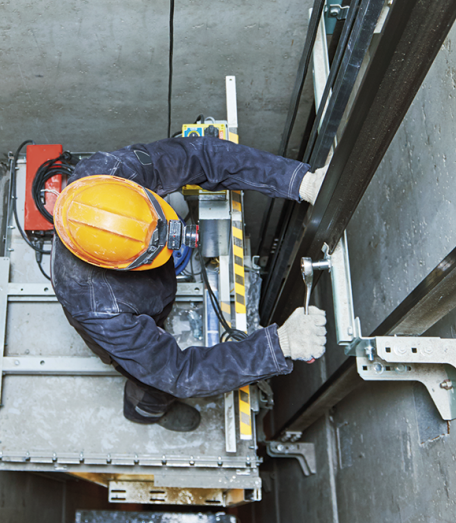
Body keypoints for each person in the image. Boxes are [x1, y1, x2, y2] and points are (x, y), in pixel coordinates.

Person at [50, 135, 328, 431]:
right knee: (152, 381)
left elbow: (202, 154)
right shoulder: (101, 310)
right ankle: (146, 412)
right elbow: (178, 373)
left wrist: (300, 181)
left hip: (148, 289)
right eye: (152, 253)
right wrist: (279, 345)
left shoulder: (109, 175)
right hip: (130, 306)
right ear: (120, 265)